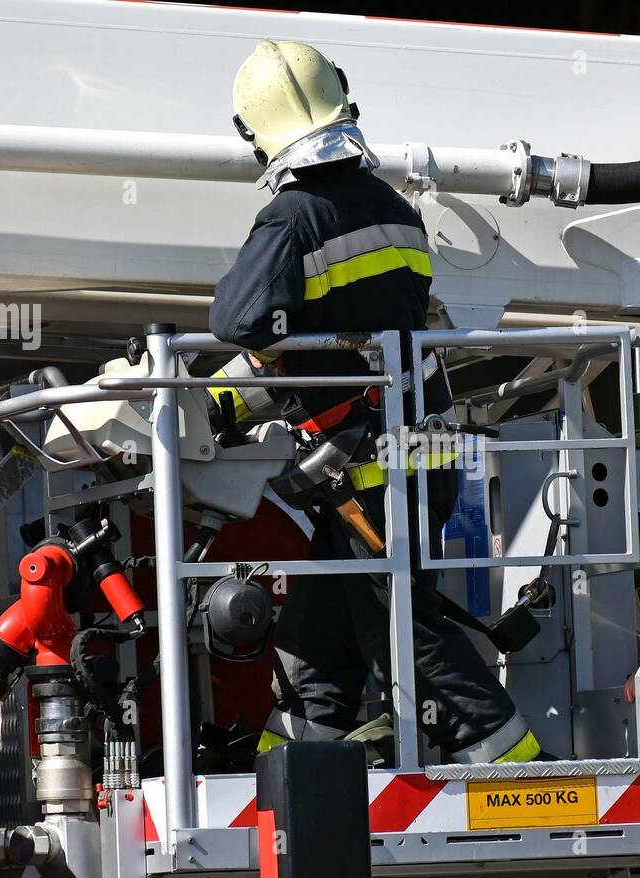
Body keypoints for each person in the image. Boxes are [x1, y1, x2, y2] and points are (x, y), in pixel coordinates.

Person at [202, 40, 540, 764]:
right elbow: (360, 335)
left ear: (255, 132)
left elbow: (237, 321)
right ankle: (292, 775)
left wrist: (249, 368)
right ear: (343, 104)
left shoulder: (292, 218)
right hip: (414, 462)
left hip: (372, 479)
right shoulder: (396, 210)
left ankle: (524, 780)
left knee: (403, 635)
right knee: (317, 639)